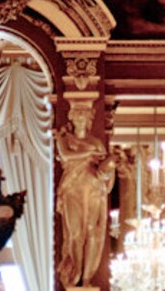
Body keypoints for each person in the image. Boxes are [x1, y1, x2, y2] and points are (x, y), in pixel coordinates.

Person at [55, 103, 115, 288]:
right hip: (72, 188)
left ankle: (87, 279)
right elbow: (65, 155)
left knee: (92, 232)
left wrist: (108, 171)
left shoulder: (96, 143)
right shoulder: (64, 139)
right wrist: (89, 153)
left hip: (93, 189)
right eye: (78, 116)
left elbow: (106, 169)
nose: (81, 119)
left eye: (84, 116)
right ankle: (74, 276)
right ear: (72, 118)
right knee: (75, 234)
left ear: (89, 120)